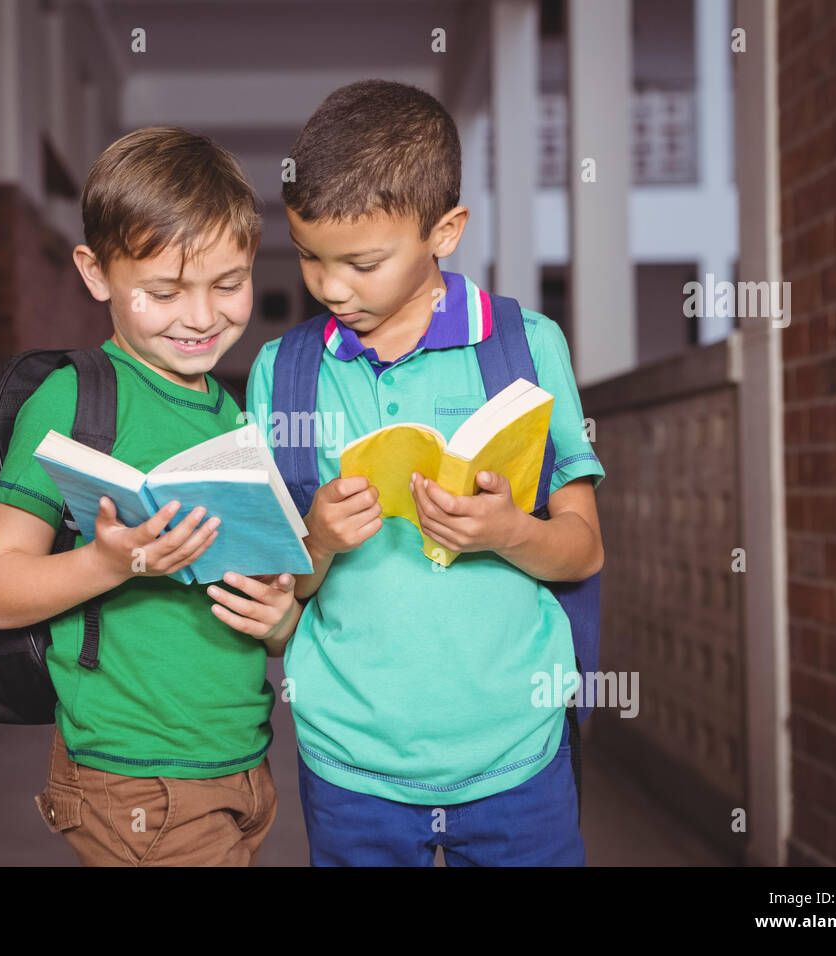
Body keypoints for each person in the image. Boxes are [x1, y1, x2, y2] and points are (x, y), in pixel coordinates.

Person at [245, 80, 605, 866]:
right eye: (309, 256)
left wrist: (509, 530)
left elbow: (582, 551)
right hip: (350, 760)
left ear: (444, 231)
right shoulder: (284, 372)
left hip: (517, 751)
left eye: (363, 262)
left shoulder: (528, 346)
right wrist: (319, 539)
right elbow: (279, 592)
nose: (331, 287)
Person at [0, 127, 299, 866]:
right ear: (96, 273)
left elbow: (262, 590)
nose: (203, 316)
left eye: (229, 282)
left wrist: (282, 619)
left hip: (241, 762)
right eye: (164, 291)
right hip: (136, 777)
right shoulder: (76, 402)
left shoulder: (232, 412)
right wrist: (111, 563)